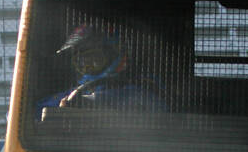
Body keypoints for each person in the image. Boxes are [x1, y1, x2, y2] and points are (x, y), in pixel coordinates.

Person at [38, 25, 166, 116]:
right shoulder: (78, 92)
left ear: (115, 53)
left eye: (94, 59)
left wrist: (87, 102)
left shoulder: (143, 86)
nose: (86, 67)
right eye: (80, 62)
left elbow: (141, 103)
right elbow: (39, 110)